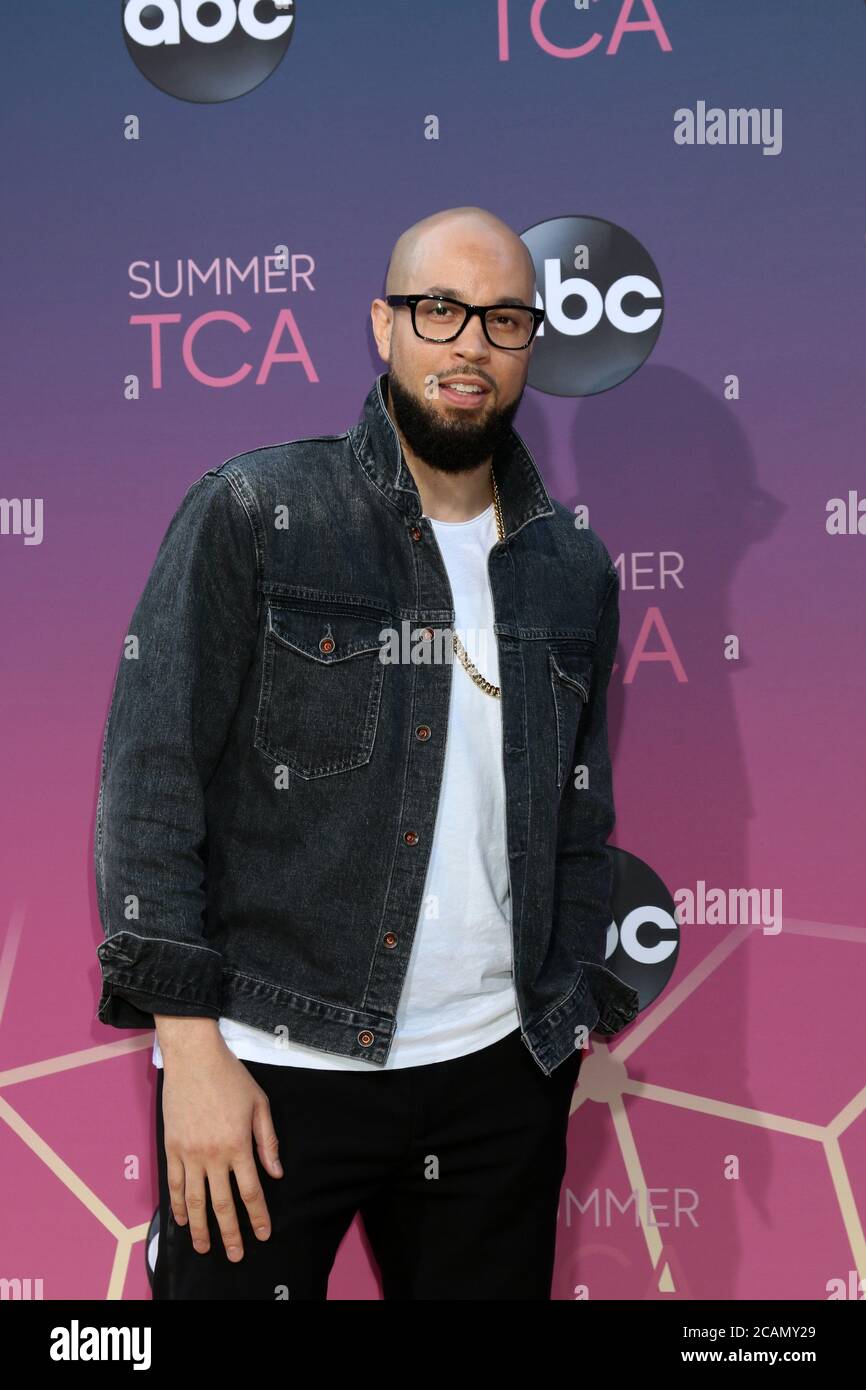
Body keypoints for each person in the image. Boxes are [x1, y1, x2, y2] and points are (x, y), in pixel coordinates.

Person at [93, 205, 639, 1300]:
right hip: (271, 1071)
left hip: (497, 1082)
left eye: (501, 319)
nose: (468, 344)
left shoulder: (569, 567)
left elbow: (577, 821)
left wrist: (565, 1013)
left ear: (532, 342)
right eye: (438, 310)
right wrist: (190, 1057)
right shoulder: (254, 511)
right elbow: (149, 790)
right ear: (383, 325)